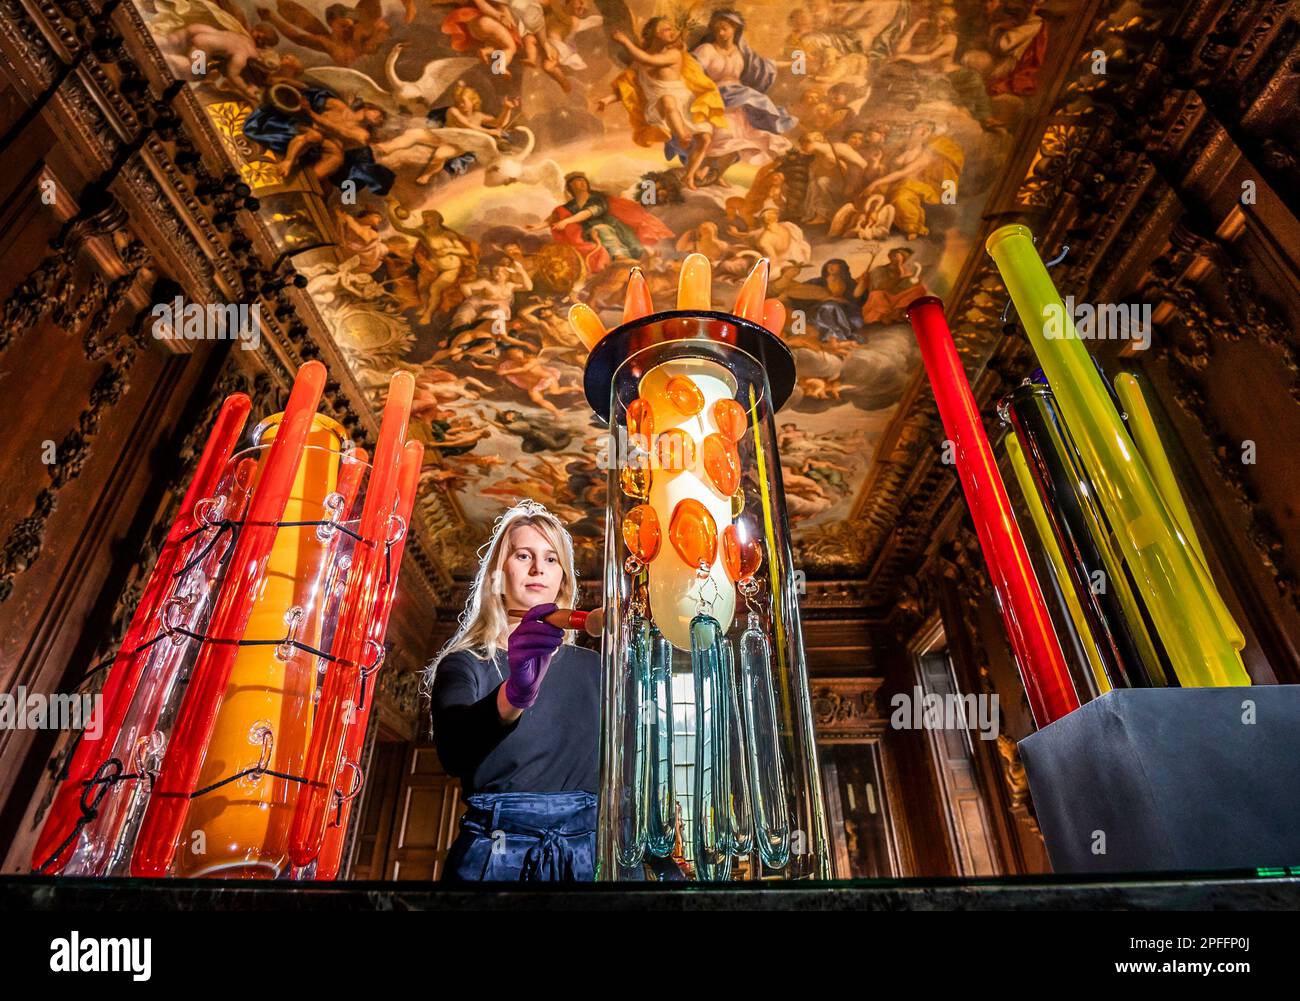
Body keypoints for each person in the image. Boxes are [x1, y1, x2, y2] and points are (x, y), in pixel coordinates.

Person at [423, 500, 601, 881]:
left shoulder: (596, 668)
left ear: (563, 580)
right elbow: (453, 752)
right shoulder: (464, 663)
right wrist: (514, 694)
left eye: (552, 559)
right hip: (496, 855)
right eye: (524, 555)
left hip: (586, 859)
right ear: (498, 576)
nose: (539, 568)